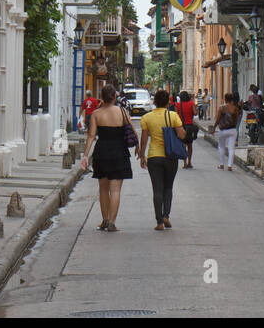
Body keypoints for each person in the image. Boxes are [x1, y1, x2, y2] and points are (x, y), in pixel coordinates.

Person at [80, 85, 133, 231]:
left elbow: (91, 136)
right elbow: (132, 132)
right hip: (119, 152)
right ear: (114, 97)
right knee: (115, 190)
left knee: (103, 189)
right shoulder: (122, 112)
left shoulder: (96, 114)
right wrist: (140, 152)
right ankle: (112, 222)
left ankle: (104, 220)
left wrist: (85, 155)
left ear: (102, 97)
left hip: (101, 152)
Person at [139, 89, 186, 231]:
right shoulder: (173, 116)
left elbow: (144, 139)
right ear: (168, 102)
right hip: (170, 156)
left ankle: (159, 222)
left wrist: (142, 155)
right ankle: (166, 215)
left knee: (157, 189)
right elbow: (182, 135)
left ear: (154, 102)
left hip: (154, 157)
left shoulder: (146, 118)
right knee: (168, 187)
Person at [214, 93, 242, 170]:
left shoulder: (221, 108)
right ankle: (230, 166)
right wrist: (234, 127)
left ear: (225, 99)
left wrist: (214, 128)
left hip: (223, 130)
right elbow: (236, 120)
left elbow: (218, 119)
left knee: (221, 147)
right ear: (232, 99)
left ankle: (221, 164)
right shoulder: (235, 108)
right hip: (232, 130)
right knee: (231, 148)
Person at [176, 90, 199, 169]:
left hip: (181, 126)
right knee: (190, 145)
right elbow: (195, 113)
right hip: (189, 126)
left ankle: (184, 163)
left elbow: (176, 116)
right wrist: (195, 109)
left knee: (183, 145)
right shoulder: (191, 103)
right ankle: (189, 162)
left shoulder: (178, 105)